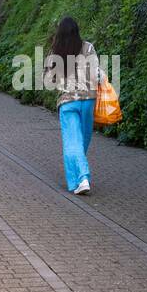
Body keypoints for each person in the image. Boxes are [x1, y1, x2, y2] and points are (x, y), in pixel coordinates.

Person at [42, 16, 100, 195]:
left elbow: (47, 81)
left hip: (68, 102)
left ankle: (81, 178)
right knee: (83, 139)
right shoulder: (88, 47)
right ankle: (78, 180)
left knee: (72, 142)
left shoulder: (55, 52)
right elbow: (96, 73)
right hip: (88, 100)